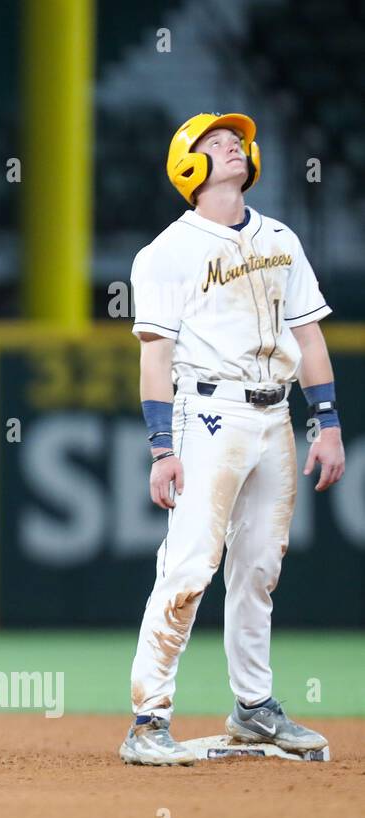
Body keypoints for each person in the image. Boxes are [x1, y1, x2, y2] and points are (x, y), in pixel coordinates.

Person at [119, 113, 344, 766]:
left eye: (236, 141)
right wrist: (162, 448)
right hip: (208, 414)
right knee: (189, 566)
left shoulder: (280, 238)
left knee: (259, 571)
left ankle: (253, 710)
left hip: (275, 418)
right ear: (186, 166)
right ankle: (148, 720)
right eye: (213, 143)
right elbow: (154, 357)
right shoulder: (166, 252)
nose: (231, 147)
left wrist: (325, 424)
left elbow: (309, 339)